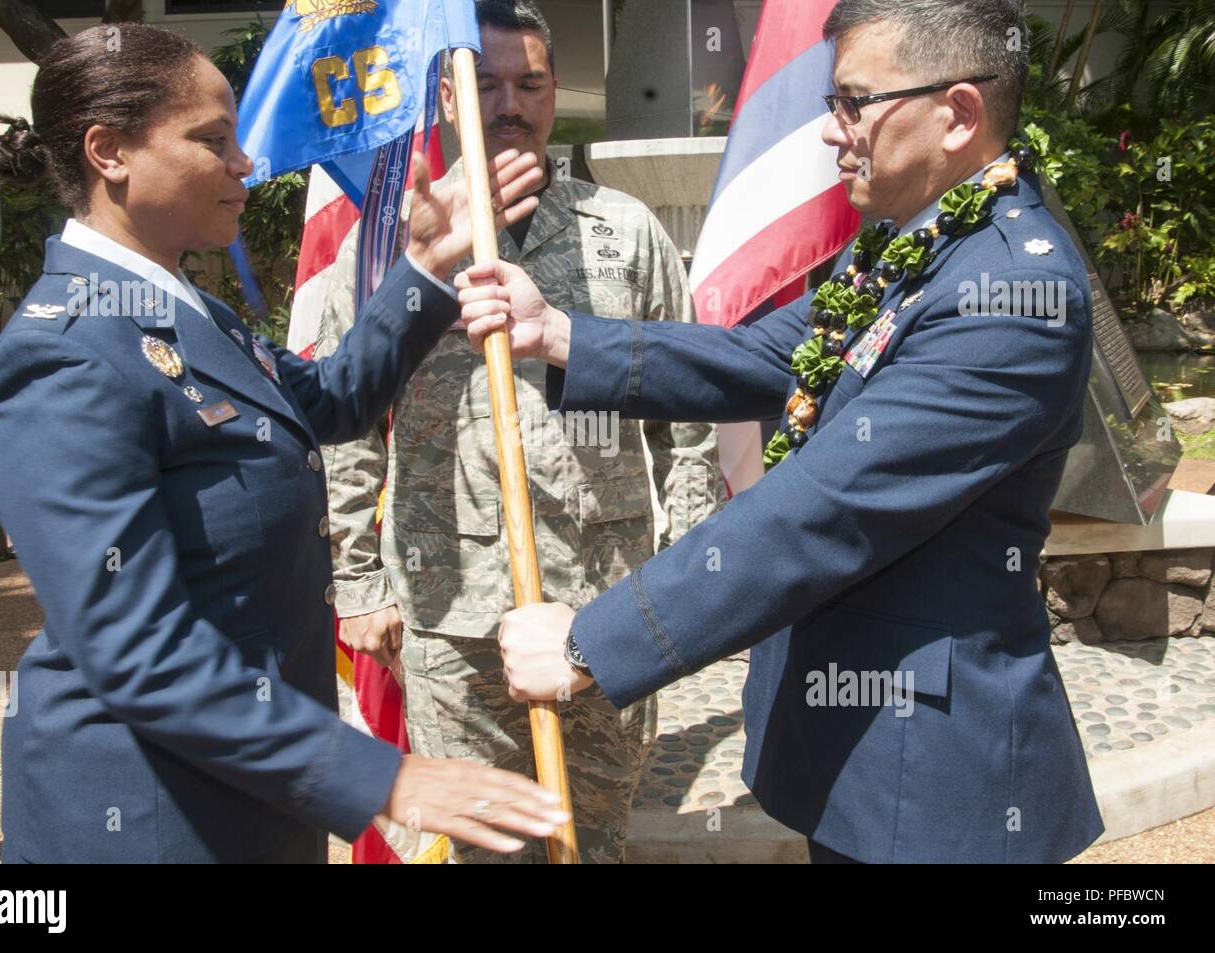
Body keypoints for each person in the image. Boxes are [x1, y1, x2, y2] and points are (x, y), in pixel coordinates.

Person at [457, 0, 1106, 864]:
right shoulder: (914, 243)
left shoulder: (1014, 299)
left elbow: (824, 505)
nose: (831, 133)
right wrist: (564, 336)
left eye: (853, 101)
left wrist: (589, 642)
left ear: (956, 115)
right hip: (866, 754)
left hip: (939, 782)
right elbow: (770, 352)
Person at [0, 23, 566, 864]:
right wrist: (381, 777)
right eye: (212, 141)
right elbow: (134, 647)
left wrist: (429, 269)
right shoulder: (64, 353)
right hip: (148, 820)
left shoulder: (182, 307)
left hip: (253, 796)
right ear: (109, 151)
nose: (246, 164)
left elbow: (327, 402)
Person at [316, 0, 723, 863]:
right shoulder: (397, 242)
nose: (508, 102)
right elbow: (345, 420)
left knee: (596, 835)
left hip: (603, 605)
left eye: (530, 82)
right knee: (478, 846)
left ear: (552, 92)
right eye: (486, 81)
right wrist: (358, 582)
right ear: (448, 96)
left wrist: (681, 586)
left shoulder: (627, 233)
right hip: (447, 606)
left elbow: (684, 428)